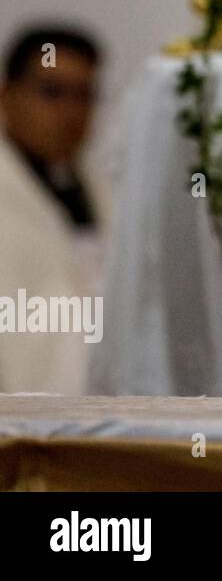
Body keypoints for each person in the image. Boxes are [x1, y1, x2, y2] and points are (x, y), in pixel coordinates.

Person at [0, 25, 106, 393]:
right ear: (6, 95)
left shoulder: (105, 193)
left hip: (97, 416)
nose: (70, 113)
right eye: (52, 92)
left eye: (84, 95)